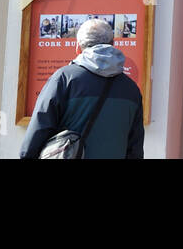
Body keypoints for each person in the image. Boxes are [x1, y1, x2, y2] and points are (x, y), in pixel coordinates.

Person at [19, 17, 145, 159]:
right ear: (113, 44)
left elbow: (38, 131)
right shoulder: (131, 89)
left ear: (78, 47)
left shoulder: (64, 79)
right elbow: (135, 149)